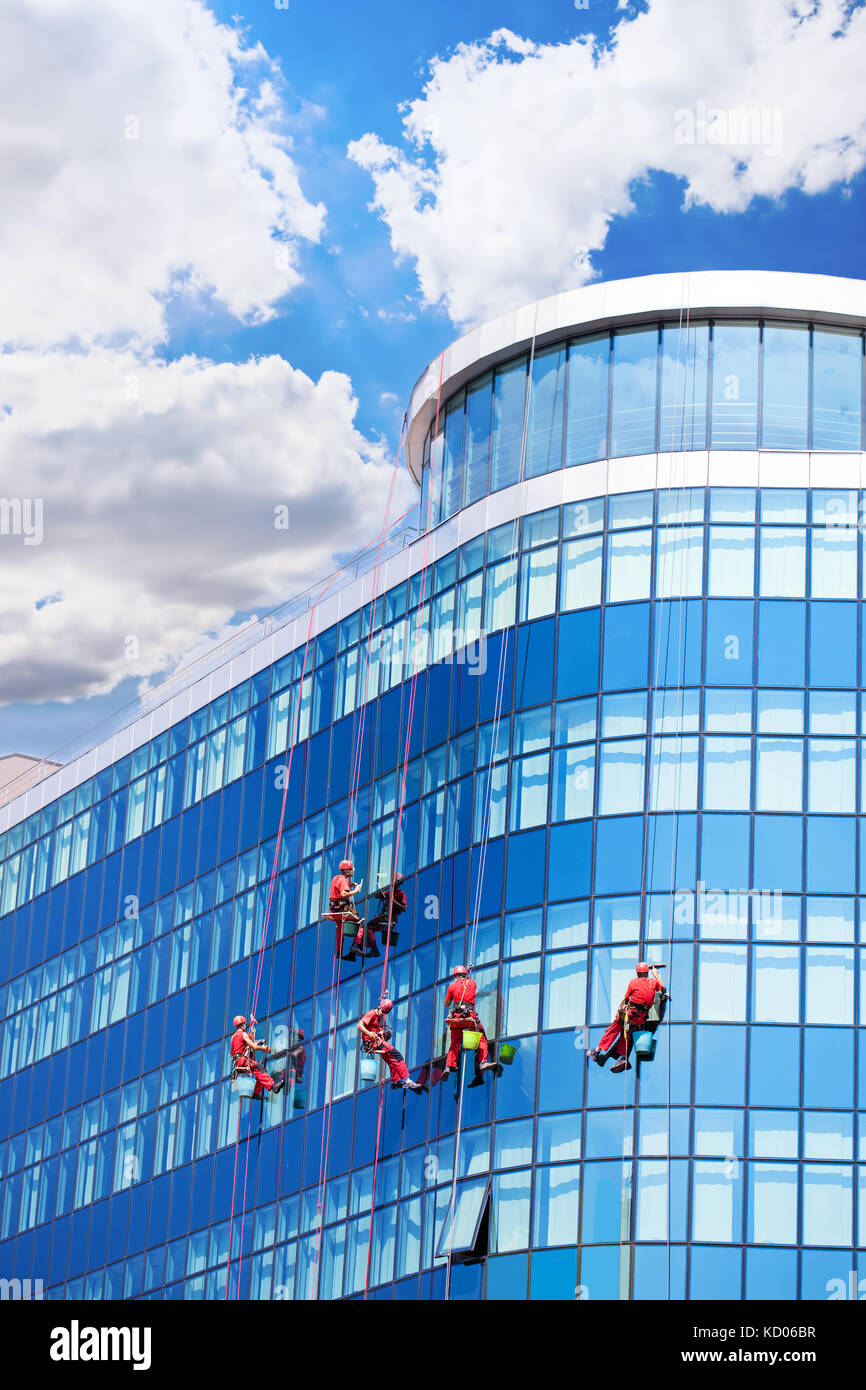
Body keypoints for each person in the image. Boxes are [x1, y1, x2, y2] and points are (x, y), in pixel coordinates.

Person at [588, 963, 667, 1074]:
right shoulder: (653, 982)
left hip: (630, 1013)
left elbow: (626, 998)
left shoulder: (633, 982)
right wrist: (656, 975)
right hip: (641, 1018)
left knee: (614, 1029)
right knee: (627, 1034)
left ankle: (597, 1051)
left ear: (637, 973)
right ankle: (622, 1057)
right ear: (647, 973)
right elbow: (663, 988)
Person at [357, 999, 425, 1092]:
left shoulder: (378, 1017)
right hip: (373, 1043)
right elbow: (360, 1025)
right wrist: (369, 1034)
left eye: (385, 1013)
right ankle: (407, 1081)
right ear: (379, 1007)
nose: (383, 1014)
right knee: (397, 1056)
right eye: (382, 1011)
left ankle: (395, 1082)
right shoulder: (371, 1014)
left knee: (391, 1060)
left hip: (375, 1041)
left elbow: (375, 1028)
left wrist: (383, 1033)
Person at [441, 966, 497, 1079]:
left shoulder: (452, 986)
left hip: (457, 1018)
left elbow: (446, 1003)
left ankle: (448, 1066)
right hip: (470, 1017)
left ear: (456, 976)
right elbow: (468, 985)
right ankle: (482, 1062)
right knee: (481, 1039)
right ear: (465, 974)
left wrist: (451, 995)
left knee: (454, 1043)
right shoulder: (472, 983)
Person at [229, 1015, 284, 1097]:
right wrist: (263, 1047)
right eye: (244, 1024)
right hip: (242, 1061)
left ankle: (255, 1092)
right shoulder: (243, 1034)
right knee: (260, 1069)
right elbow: (253, 1046)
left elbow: (241, 1047)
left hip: (237, 1062)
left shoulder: (233, 1037)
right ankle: (273, 1086)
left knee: (260, 1072)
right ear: (243, 1024)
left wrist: (251, 1035)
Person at [325, 859, 366, 958]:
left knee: (340, 929)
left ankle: (338, 952)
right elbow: (344, 894)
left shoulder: (336, 878)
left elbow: (339, 888)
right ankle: (355, 945)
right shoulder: (343, 880)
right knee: (359, 924)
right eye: (351, 869)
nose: (352, 871)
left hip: (335, 910)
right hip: (343, 909)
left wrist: (352, 884)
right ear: (347, 871)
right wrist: (356, 890)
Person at [366, 874, 408, 947]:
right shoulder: (389, 892)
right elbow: (378, 896)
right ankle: (373, 948)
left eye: (396, 880)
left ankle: (373, 948)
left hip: (392, 917)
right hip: (385, 916)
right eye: (393, 880)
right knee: (369, 926)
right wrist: (380, 892)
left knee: (376, 928)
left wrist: (393, 901)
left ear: (400, 882)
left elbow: (404, 908)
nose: (394, 882)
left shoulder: (401, 894)